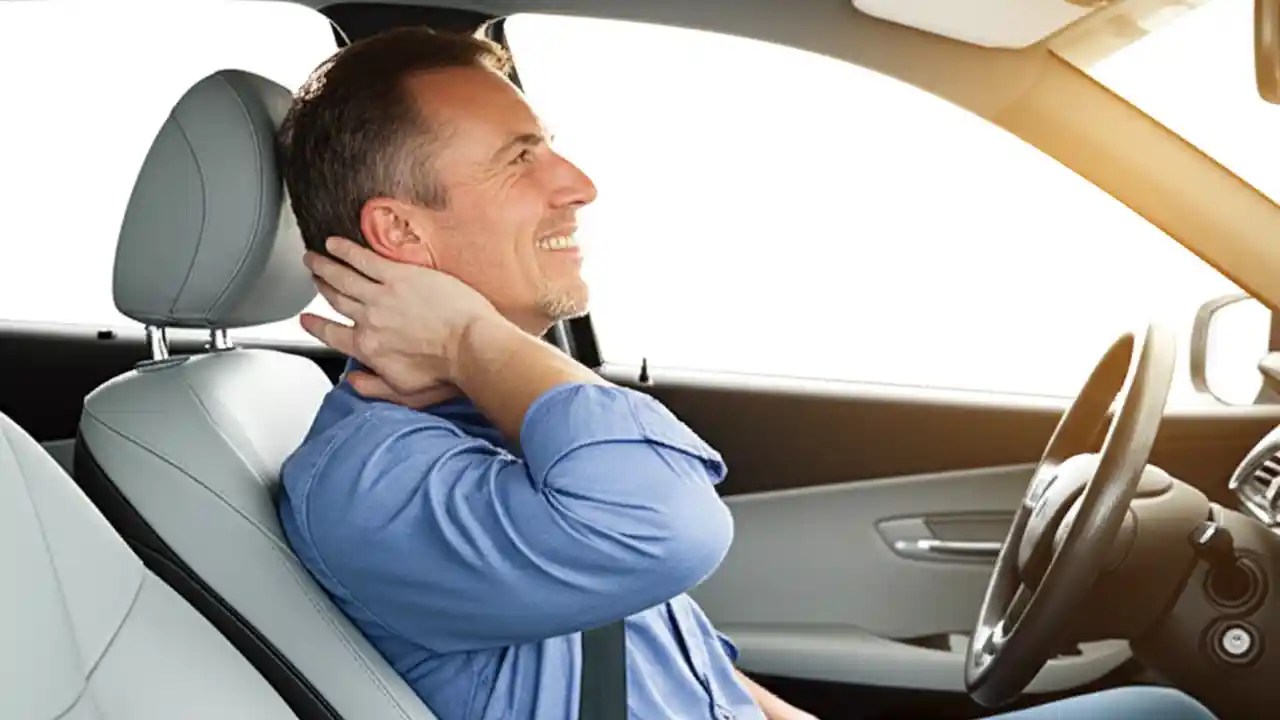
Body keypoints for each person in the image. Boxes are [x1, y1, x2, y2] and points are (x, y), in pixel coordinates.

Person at [274, 27, 1218, 720]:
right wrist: (472, 338)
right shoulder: (371, 486)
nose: (577, 183)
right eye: (522, 159)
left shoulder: (495, 415)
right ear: (401, 234)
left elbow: (662, 649)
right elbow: (671, 526)